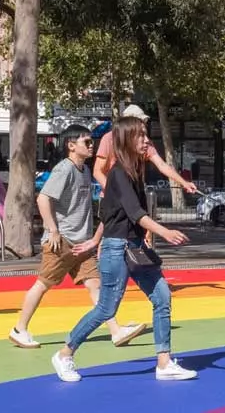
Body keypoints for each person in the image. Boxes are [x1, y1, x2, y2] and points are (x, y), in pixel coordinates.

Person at [52, 116, 197, 383]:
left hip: (134, 247)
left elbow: (110, 215)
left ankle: (164, 363)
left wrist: (96, 239)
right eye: (140, 135)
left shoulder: (135, 172)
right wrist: (164, 232)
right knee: (107, 308)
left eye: (146, 134)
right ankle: (64, 354)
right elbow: (134, 213)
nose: (146, 140)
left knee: (162, 297)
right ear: (125, 141)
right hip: (117, 250)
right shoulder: (118, 174)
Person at [9, 125, 145, 350]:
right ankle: (19, 329)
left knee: (96, 285)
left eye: (92, 142)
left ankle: (116, 331)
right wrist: (53, 230)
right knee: (44, 283)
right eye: (87, 142)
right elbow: (43, 199)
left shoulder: (83, 171)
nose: (92, 146)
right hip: (62, 240)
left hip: (82, 243)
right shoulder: (65, 169)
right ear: (71, 146)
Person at [93, 104, 197, 196]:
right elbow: (97, 171)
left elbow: (162, 165)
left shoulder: (145, 142)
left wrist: (184, 183)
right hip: (113, 198)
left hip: (134, 194)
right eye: (141, 121)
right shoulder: (109, 139)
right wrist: (113, 191)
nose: (144, 124)